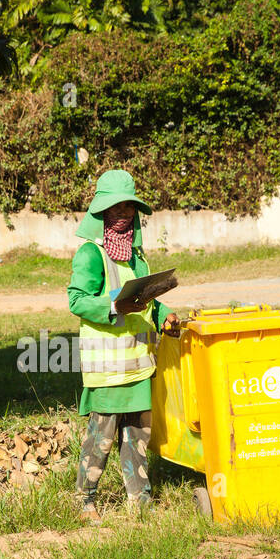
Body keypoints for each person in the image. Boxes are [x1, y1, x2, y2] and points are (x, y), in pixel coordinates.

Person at [67, 169, 179, 523]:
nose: (123, 213)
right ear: (100, 212)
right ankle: (84, 502)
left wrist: (164, 315)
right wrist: (114, 306)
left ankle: (140, 501)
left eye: (129, 207)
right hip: (108, 371)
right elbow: (77, 301)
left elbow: (146, 298)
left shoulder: (137, 256)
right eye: (115, 208)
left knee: (138, 436)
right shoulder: (90, 254)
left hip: (138, 367)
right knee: (101, 439)